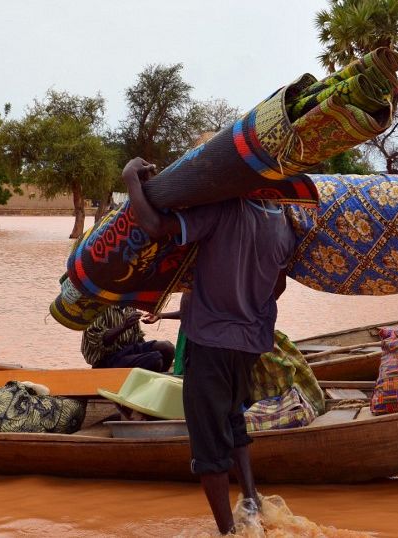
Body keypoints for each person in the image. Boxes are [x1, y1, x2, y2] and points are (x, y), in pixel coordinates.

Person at [122, 157, 294, 534]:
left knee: (208, 446)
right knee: (233, 418)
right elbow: (278, 287)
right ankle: (251, 500)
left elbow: (155, 226)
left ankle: (228, 532)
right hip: (250, 345)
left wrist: (131, 179)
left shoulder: (222, 210)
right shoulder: (282, 222)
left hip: (210, 342)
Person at [81, 304, 174, 373]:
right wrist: (124, 326)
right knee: (155, 359)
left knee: (167, 347)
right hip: (106, 359)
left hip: (126, 351)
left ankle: (160, 382)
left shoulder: (129, 304)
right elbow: (99, 340)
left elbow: (137, 337)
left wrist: (144, 351)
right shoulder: (96, 305)